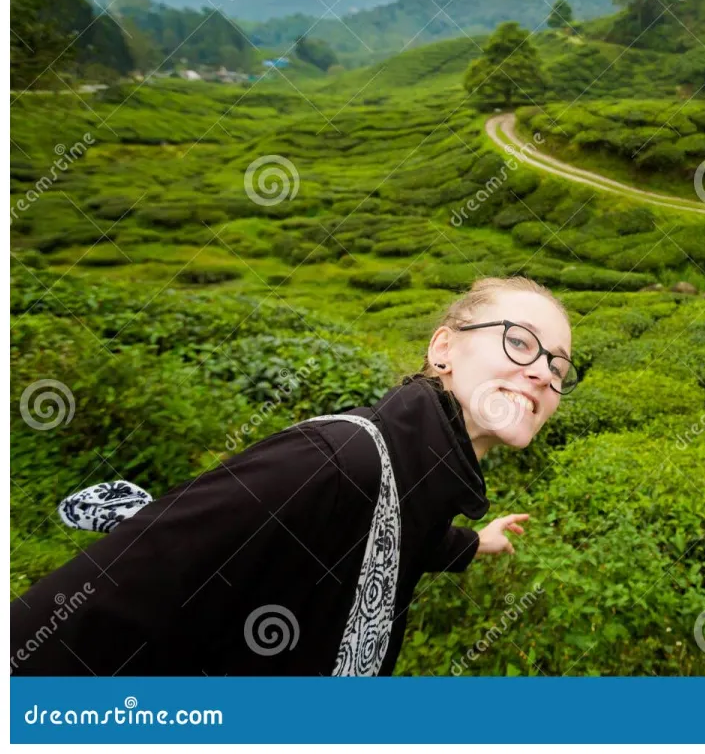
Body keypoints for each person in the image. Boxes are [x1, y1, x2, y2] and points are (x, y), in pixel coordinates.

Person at [9, 276, 576, 677]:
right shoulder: (331, 462)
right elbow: (88, 612)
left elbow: (413, 529)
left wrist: (477, 542)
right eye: (519, 341)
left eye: (557, 365)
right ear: (444, 346)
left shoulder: (424, 473)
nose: (539, 373)